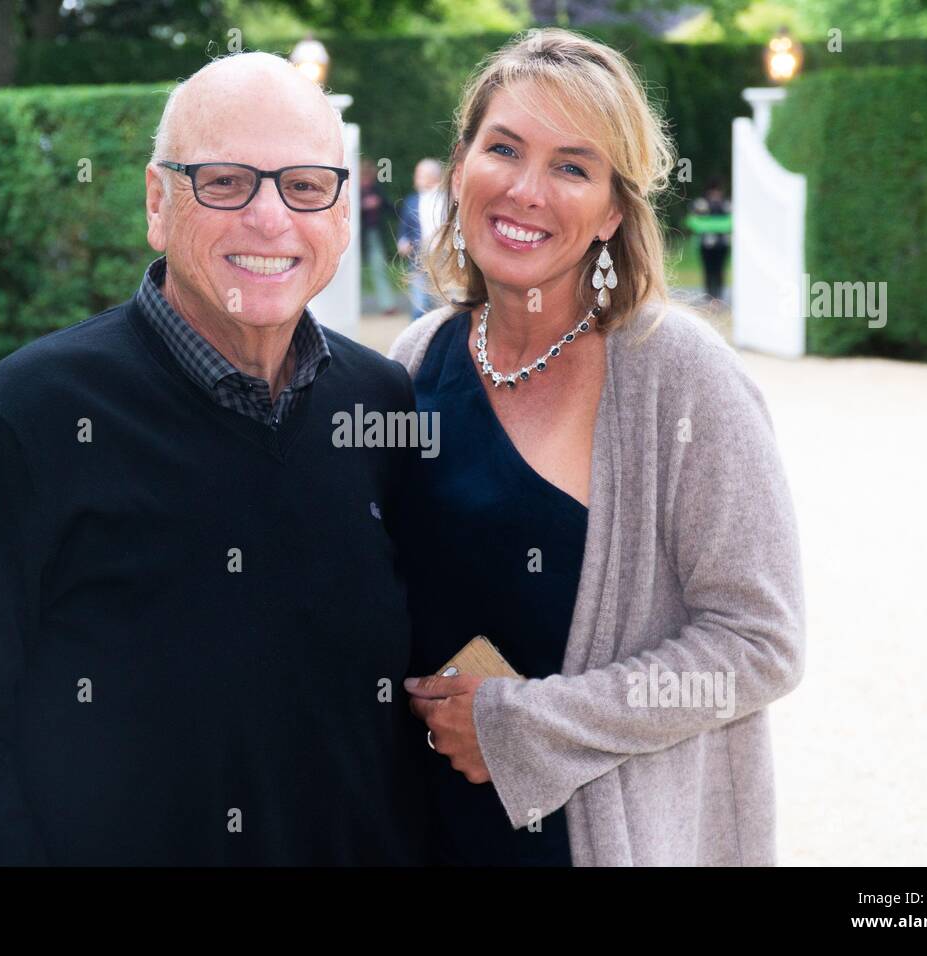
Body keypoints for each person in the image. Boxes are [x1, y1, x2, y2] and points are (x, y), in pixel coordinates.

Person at [0, 51, 429, 866]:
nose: (271, 218)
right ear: (157, 204)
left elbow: (415, 691)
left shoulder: (381, 407)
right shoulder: (32, 415)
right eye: (226, 182)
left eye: (305, 185)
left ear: (342, 215)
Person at [388, 29, 805, 866]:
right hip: (423, 829)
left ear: (615, 210)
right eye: (503, 148)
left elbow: (761, 644)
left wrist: (520, 727)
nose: (527, 189)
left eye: (573, 167)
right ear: (462, 164)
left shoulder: (680, 377)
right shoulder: (412, 363)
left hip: (603, 842)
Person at [397, 158, 445, 320]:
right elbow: (404, 228)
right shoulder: (411, 201)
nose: (416, 178)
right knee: (420, 303)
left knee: (443, 302)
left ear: (434, 177)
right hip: (419, 254)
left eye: (421, 175)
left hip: (444, 255)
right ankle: (416, 339)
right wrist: (402, 241)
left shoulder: (447, 199)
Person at [360, 157, 398, 314]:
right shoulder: (351, 191)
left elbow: (391, 208)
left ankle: (387, 305)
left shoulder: (376, 190)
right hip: (355, 236)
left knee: (379, 268)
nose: (369, 180)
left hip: (374, 234)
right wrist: (363, 206)